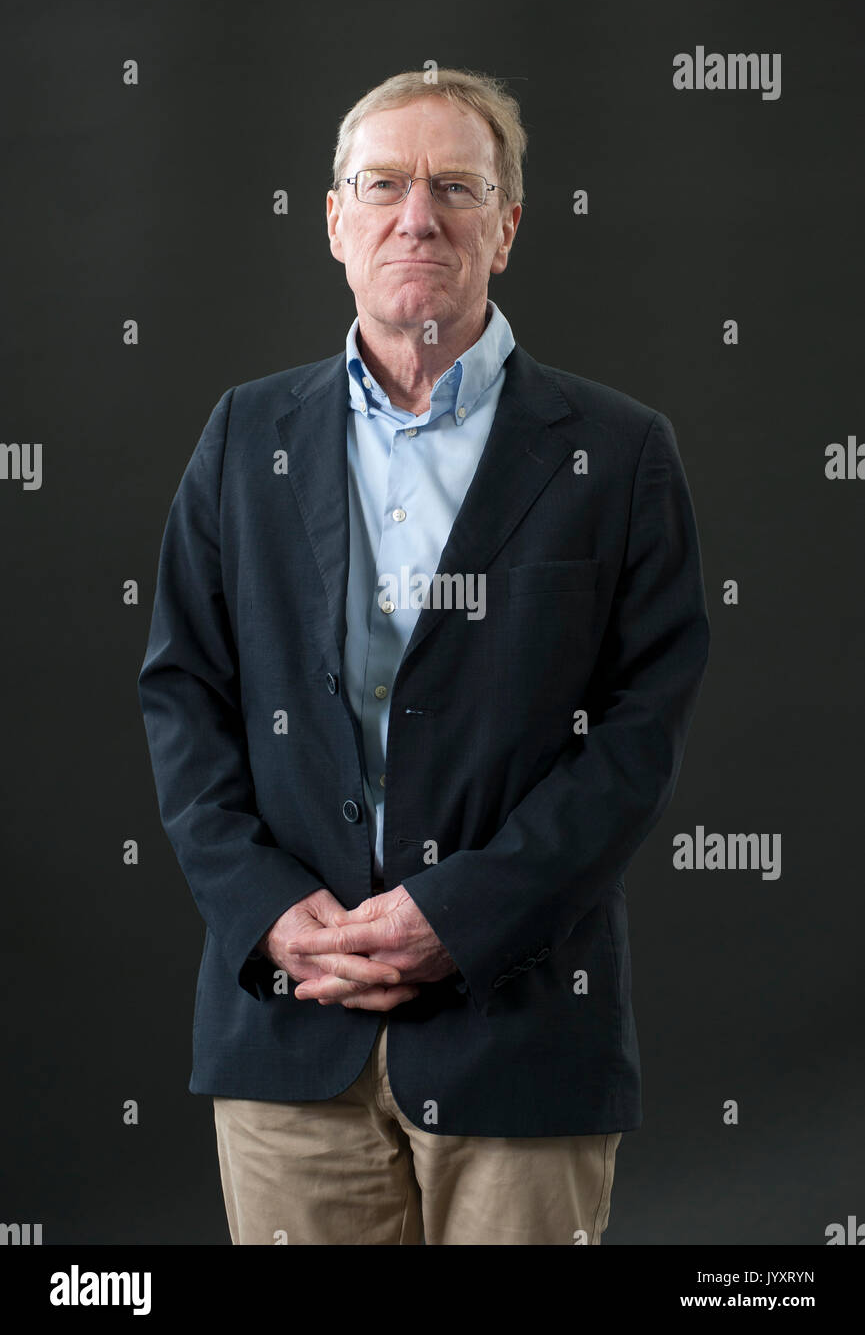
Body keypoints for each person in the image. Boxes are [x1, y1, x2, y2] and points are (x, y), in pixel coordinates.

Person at [137, 67, 711, 1246]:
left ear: (506, 226)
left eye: (457, 186)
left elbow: (638, 734)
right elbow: (183, 693)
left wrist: (461, 914)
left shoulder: (619, 452)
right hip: (287, 1025)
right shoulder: (246, 437)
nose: (418, 215)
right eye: (384, 184)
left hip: (522, 1027)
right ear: (334, 218)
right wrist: (264, 911)